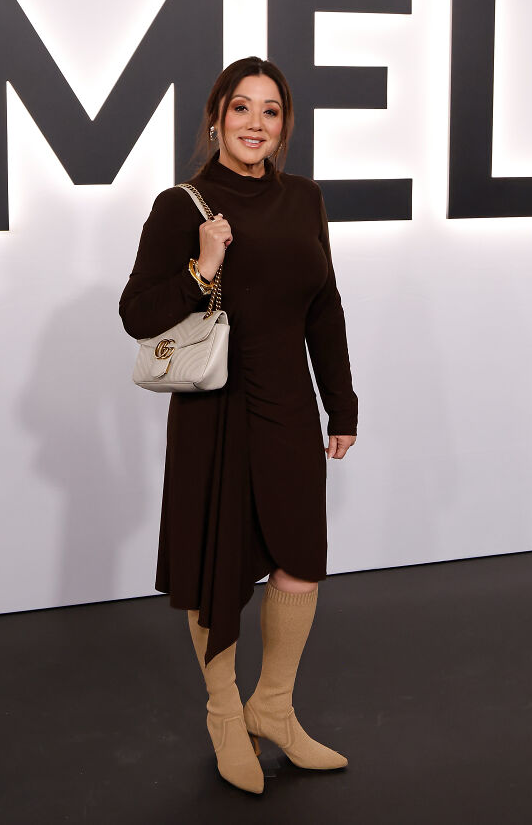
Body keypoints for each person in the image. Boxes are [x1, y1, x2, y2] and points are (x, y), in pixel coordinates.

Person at [119, 56, 358, 794]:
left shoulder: (306, 200)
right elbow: (136, 314)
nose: (256, 124)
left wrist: (340, 403)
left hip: (287, 405)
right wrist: (202, 264)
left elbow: (325, 307)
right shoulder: (180, 204)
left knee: (301, 559)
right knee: (218, 567)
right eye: (242, 108)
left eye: (271, 111)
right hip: (213, 412)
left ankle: (274, 708)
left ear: (284, 125)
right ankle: (226, 712)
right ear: (217, 116)